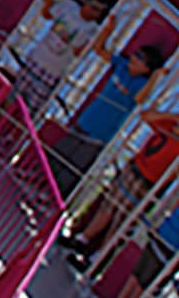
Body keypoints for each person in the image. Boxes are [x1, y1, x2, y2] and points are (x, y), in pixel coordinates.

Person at [47, 14, 170, 195]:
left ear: (146, 68)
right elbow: (99, 49)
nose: (134, 58)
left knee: (73, 168)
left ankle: (52, 196)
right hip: (85, 121)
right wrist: (108, 30)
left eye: (140, 59)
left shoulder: (140, 84)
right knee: (57, 155)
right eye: (136, 54)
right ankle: (37, 181)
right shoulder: (121, 65)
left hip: (101, 134)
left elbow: (140, 100)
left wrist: (155, 77)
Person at [58, 109, 179, 273]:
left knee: (121, 220)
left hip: (148, 182)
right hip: (134, 168)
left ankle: (97, 259)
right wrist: (171, 117)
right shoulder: (168, 125)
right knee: (108, 205)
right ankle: (82, 238)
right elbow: (146, 116)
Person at [12, 0, 116, 113]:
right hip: (37, 58)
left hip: (53, 72)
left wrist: (106, 32)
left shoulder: (92, 30)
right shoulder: (69, 7)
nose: (93, 13)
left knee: (30, 108)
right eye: (93, 7)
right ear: (86, 2)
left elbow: (80, 52)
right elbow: (46, 14)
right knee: (13, 93)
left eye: (99, 12)